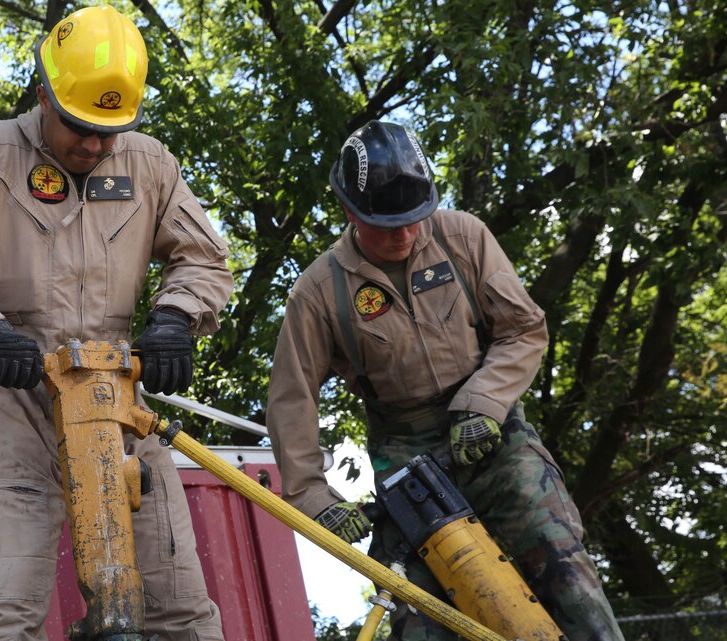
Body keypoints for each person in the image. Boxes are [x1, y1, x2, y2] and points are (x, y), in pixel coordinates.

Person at [0, 6, 232, 640]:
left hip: (120, 404)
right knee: (3, 615)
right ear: (43, 93)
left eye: (110, 131)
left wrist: (177, 316)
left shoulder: (149, 165)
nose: (96, 146)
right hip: (14, 404)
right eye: (79, 128)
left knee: (182, 610)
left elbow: (203, 256)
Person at [265, 120, 625, 640]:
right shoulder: (318, 292)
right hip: (407, 460)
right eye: (388, 225)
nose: (406, 234)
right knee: (422, 618)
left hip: (496, 439)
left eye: (415, 219)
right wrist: (316, 500)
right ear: (349, 211)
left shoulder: (463, 237)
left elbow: (523, 329)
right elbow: (291, 400)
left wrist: (484, 403)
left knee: (564, 570)